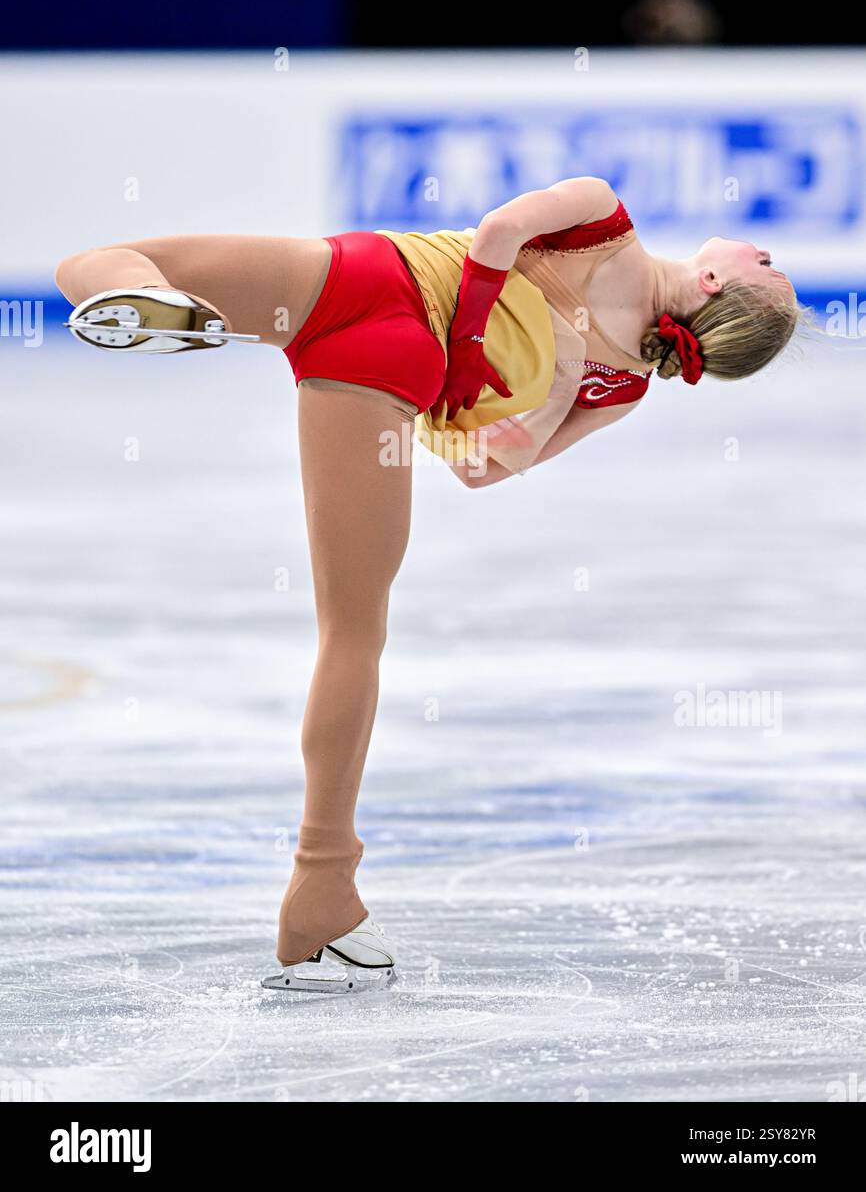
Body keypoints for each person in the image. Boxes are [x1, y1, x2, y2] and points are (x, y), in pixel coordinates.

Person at [54, 175, 799, 992]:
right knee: (353, 633)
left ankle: (151, 304)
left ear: (716, 283)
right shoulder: (622, 388)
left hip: (368, 282)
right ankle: (320, 896)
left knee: (96, 263)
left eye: (769, 264)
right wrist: (447, 386)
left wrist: (472, 335)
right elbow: (483, 466)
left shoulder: (604, 214)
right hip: (391, 375)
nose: (764, 251)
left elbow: (496, 234)